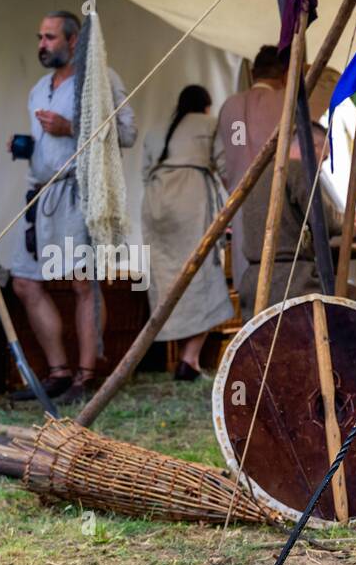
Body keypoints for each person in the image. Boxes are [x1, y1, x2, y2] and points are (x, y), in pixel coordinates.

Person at [10, 11, 136, 403]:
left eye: (49, 37)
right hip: (41, 195)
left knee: (83, 284)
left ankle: (85, 377)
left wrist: (71, 128)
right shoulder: (38, 88)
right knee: (25, 281)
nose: (41, 45)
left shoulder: (100, 80)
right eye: (39, 37)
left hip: (78, 194)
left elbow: (127, 133)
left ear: (73, 40)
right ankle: (58, 372)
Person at [140, 84, 231, 381]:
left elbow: (144, 173)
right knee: (202, 275)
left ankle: (185, 358)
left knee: (167, 278)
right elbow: (226, 166)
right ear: (206, 106)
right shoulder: (209, 123)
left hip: (155, 201)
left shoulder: (154, 130)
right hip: (190, 200)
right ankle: (189, 358)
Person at [237, 122, 340, 311]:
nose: (321, 168)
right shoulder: (298, 170)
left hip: (254, 282)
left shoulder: (258, 173)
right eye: (323, 159)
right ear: (314, 147)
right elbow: (327, 221)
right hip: (293, 285)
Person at [217, 45, 289, 286]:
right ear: (284, 74)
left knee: (246, 268)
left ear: (253, 73)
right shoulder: (285, 102)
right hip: (277, 198)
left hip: (239, 196)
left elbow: (222, 161)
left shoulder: (230, 106)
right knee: (278, 269)